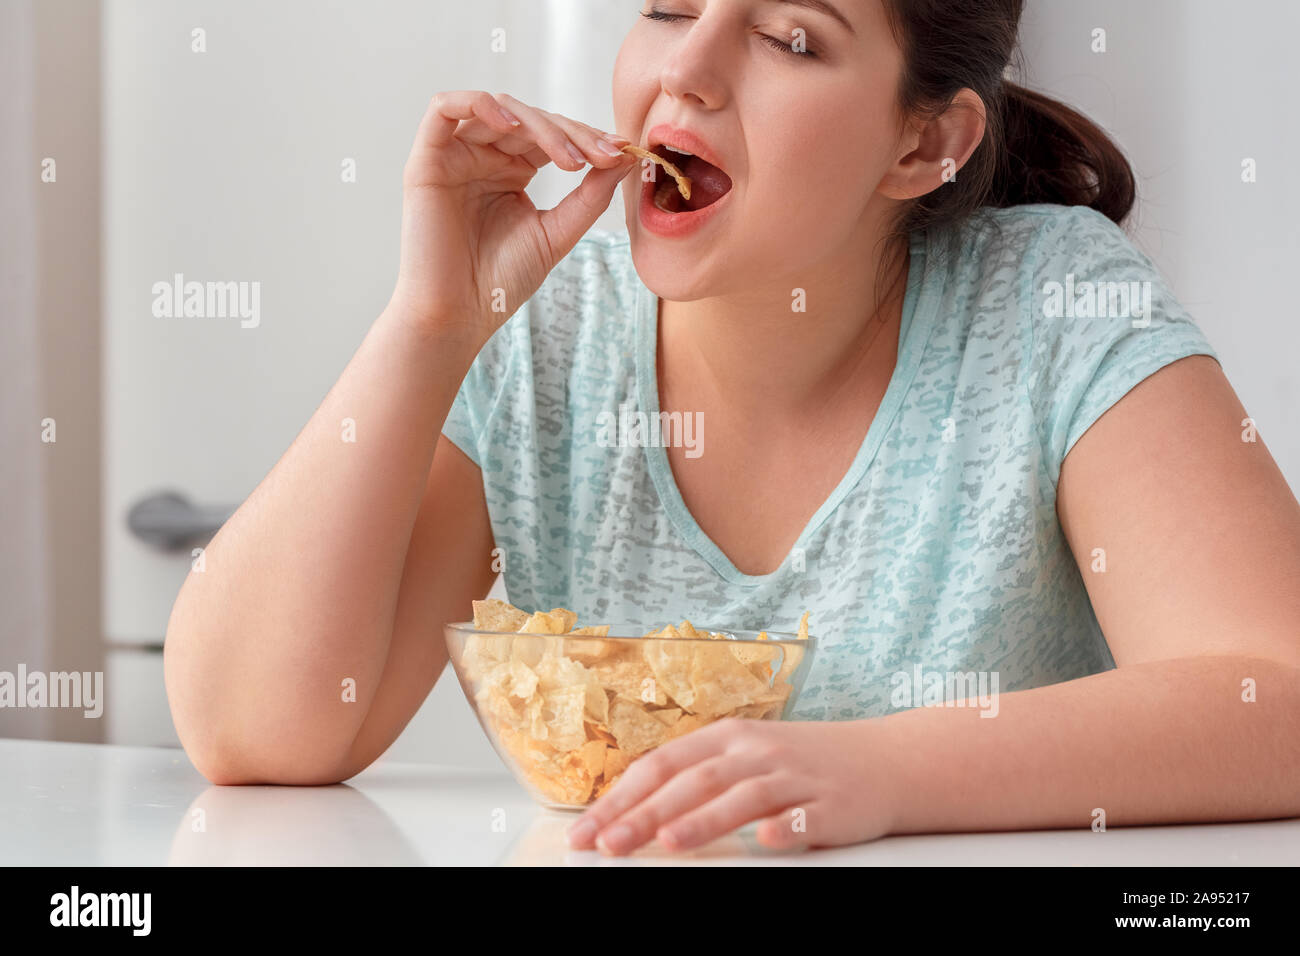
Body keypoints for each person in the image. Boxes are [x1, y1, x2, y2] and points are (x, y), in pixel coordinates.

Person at [164, 0, 1300, 856]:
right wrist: (428, 322)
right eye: (667, 4)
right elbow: (253, 732)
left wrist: (875, 773)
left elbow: (1275, 693)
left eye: (791, 39)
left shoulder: (1049, 304)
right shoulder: (551, 325)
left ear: (925, 145)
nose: (686, 69)